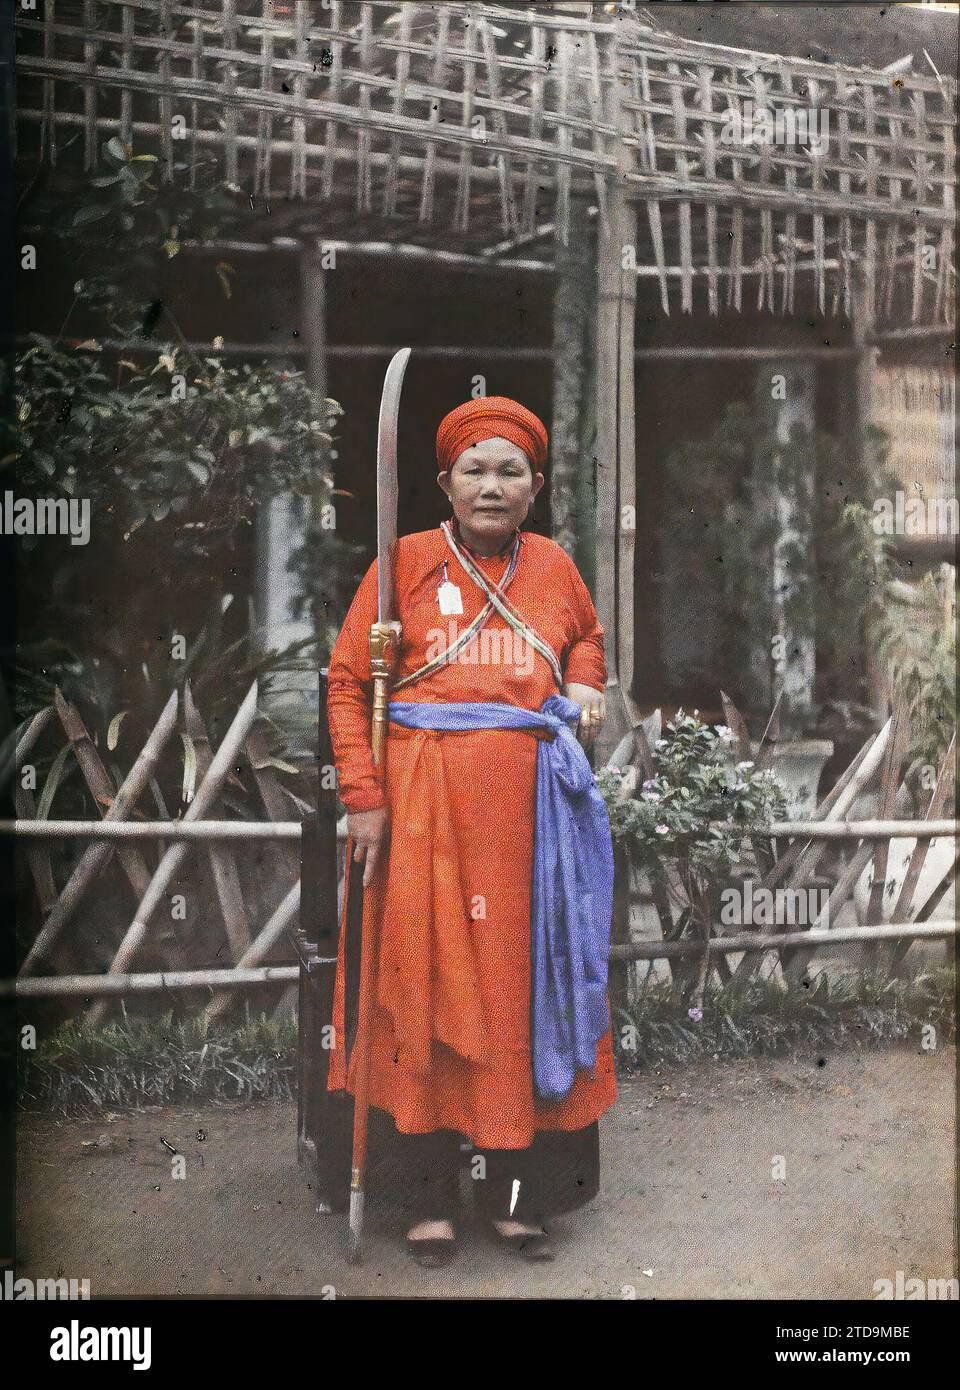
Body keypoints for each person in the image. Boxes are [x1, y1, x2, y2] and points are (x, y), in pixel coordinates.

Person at [325, 396, 616, 1267]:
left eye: (511, 471)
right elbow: (347, 683)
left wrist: (588, 681)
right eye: (475, 470)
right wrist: (364, 796)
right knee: (419, 994)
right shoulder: (401, 562)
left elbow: (587, 641)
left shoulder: (556, 566)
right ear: (446, 481)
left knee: (518, 1000)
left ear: (536, 487)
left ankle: (516, 1198)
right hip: (422, 819)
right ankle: (424, 1202)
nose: (492, 486)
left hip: (532, 829)